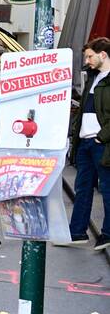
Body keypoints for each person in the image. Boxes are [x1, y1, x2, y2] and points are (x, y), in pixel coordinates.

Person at [61, 37, 110, 249]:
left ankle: (107, 234)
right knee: (82, 189)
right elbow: (83, 110)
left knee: (107, 189)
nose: (87, 60)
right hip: (85, 143)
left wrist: (102, 136)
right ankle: (77, 232)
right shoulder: (93, 77)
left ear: (103, 54)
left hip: (101, 144)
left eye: (90, 56)